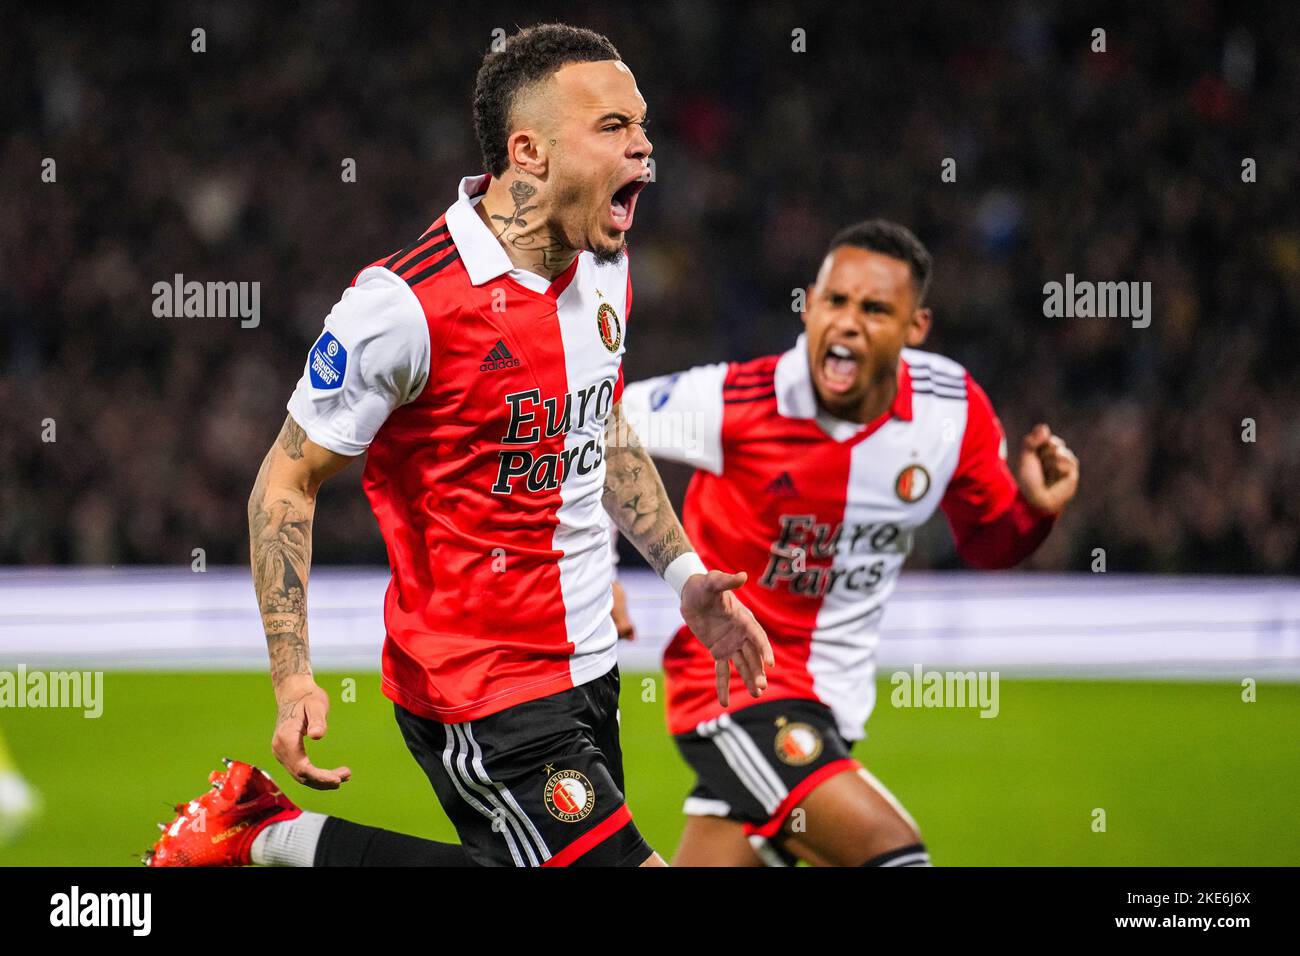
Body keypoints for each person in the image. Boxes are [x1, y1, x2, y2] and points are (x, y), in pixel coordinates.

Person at [146, 22, 770, 869]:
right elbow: (285, 485)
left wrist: (685, 575)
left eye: (644, 125)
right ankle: (270, 837)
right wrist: (294, 675)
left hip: (587, 665)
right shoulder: (403, 306)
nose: (646, 149)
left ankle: (257, 827)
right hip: (478, 687)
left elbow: (601, 428)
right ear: (530, 152)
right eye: (614, 128)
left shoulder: (603, 261)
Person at [614, 219, 1080, 866]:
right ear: (808, 306)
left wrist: (1033, 510)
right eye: (834, 301)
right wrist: (590, 565)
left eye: (875, 309)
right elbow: (593, 429)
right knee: (893, 856)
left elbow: (989, 544)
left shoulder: (952, 410)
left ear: (916, 328)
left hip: (833, 704)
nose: (848, 322)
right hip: (731, 692)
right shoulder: (736, 399)